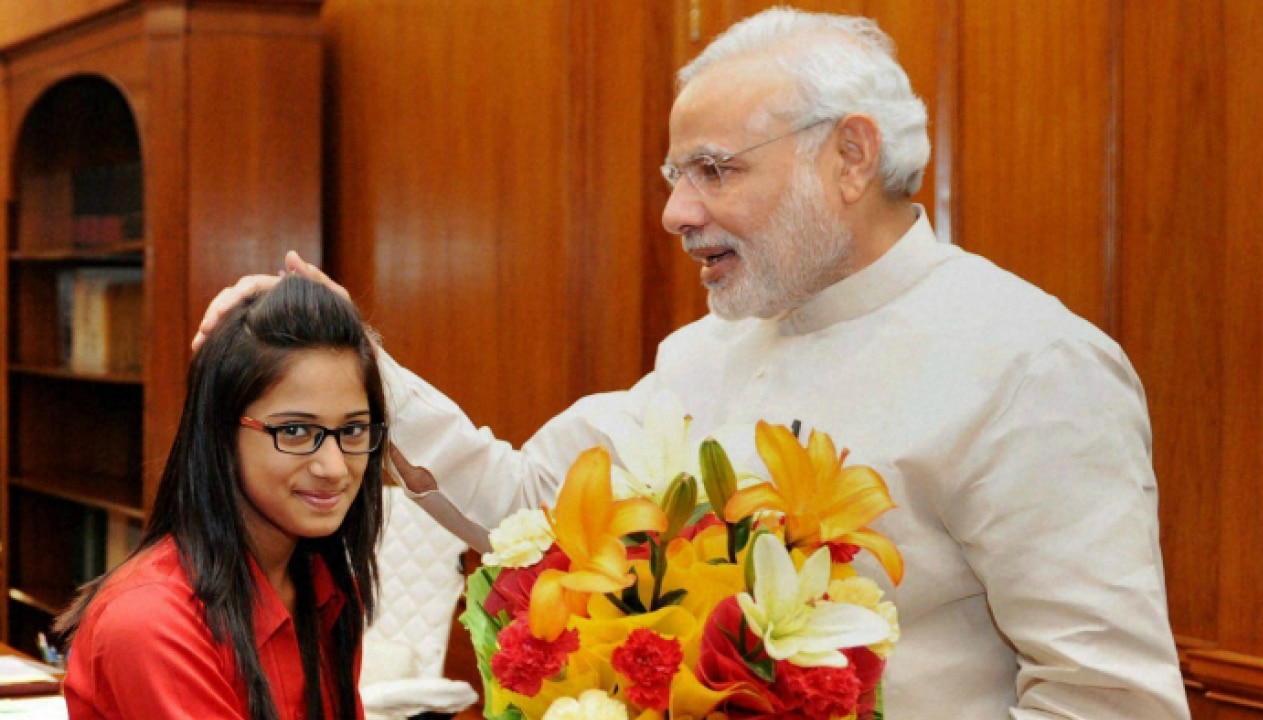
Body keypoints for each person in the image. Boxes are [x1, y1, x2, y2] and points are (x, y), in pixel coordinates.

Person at [195, 8, 1190, 719]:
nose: (676, 213)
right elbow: (526, 503)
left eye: (712, 170)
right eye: (676, 178)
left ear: (849, 159)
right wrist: (354, 364)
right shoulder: (704, 351)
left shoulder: (1032, 366)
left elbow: (1105, 701)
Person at [59, 276, 387, 720]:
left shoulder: (324, 587)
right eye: (294, 431)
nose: (333, 466)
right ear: (221, 433)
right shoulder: (151, 620)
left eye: (351, 430)